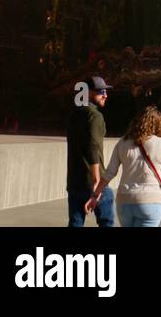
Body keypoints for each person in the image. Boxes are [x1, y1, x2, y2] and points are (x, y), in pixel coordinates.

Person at [86, 104, 161, 227]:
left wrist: (95, 195)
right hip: (150, 202)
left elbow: (109, 172)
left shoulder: (123, 143)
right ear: (159, 124)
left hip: (124, 202)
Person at [66, 76, 114, 228]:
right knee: (106, 222)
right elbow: (93, 147)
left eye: (105, 91)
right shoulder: (94, 116)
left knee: (75, 223)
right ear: (88, 93)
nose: (105, 95)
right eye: (101, 91)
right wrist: (96, 182)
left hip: (74, 181)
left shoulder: (74, 115)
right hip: (93, 181)